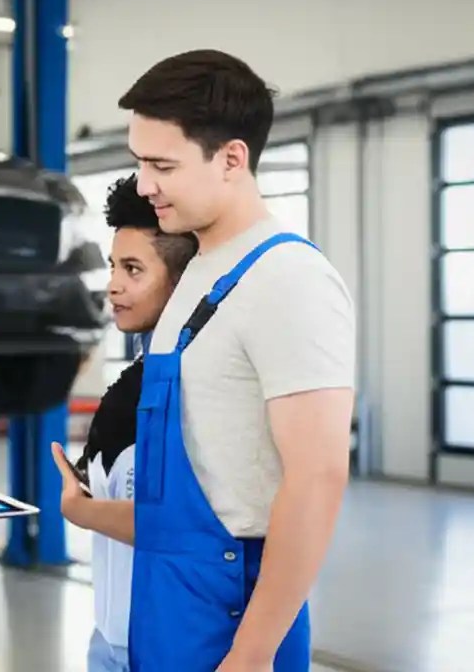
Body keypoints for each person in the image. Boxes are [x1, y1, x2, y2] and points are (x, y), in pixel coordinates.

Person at [119, 50, 356, 671]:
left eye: (162, 165)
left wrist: (253, 654)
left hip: (231, 612)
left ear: (231, 159)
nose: (145, 184)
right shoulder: (198, 270)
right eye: (139, 162)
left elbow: (320, 475)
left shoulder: (289, 278)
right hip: (171, 596)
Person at [50, 173, 198, 672]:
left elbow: (185, 523)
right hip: (112, 637)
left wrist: (80, 510)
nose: (113, 284)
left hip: (169, 644)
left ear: (182, 281)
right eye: (114, 265)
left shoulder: (197, 389)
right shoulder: (134, 383)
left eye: (133, 269)